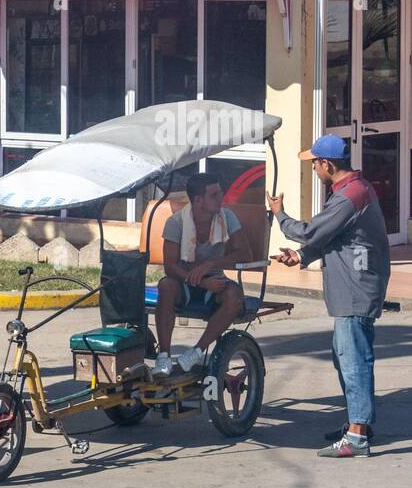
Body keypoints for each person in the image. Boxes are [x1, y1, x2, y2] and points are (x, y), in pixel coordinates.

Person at [270, 134, 391, 458]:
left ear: (327, 164)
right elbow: (335, 237)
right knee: (347, 358)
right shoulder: (355, 189)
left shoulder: (349, 196)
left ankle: (357, 436)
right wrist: (301, 257)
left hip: (355, 289)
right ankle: (359, 424)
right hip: (356, 286)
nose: (313, 169)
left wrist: (280, 215)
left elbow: (313, 232)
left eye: (314, 164)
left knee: (353, 362)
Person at [153, 173, 251, 376]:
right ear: (198, 200)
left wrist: (210, 265)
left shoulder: (227, 217)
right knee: (166, 285)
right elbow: (170, 266)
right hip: (184, 282)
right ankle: (164, 356)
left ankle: (197, 352)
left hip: (215, 279)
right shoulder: (176, 222)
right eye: (214, 195)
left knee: (234, 296)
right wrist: (201, 281)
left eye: (220, 193)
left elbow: (244, 253)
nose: (220, 198)